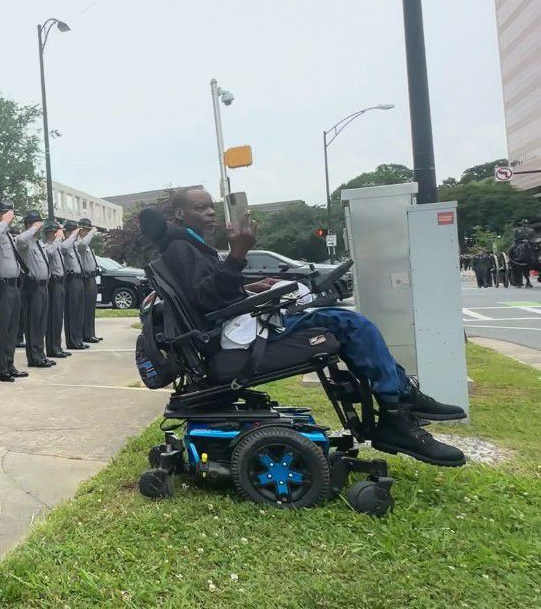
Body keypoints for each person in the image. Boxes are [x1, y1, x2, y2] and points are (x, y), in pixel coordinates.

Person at [160, 187, 466, 467]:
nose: (210, 212)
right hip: (233, 340)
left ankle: (399, 403)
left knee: (340, 321)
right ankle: (397, 411)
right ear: (180, 214)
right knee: (350, 323)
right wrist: (238, 253)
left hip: (237, 328)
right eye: (201, 208)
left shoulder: (191, 246)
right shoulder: (180, 248)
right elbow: (207, 299)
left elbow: (209, 293)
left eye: (211, 206)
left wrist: (250, 288)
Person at [0, 198, 28, 382]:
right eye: (8, 213)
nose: (12, 217)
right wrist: (3, 223)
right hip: (0, 287)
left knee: (12, 328)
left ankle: (9, 364)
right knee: (1, 329)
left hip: (13, 285)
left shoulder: (8, 235)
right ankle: (0, 368)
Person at [15, 211, 55, 368]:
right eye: (36, 223)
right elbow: (19, 240)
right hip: (32, 286)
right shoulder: (25, 243)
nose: (40, 227)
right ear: (28, 225)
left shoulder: (39, 243)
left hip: (43, 286)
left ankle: (40, 354)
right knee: (33, 322)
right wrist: (32, 229)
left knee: (41, 323)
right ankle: (34, 357)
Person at [42, 221, 71, 359]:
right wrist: (58, 239)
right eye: (57, 232)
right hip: (53, 283)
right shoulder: (47, 246)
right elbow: (49, 253)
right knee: (53, 316)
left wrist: (61, 240)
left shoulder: (58, 245)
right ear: (51, 233)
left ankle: (57, 346)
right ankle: (52, 348)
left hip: (60, 282)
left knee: (59, 316)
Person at [60, 221, 89, 351]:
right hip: (70, 280)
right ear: (66, 232)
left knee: (79, 311)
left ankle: (78, 339)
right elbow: (64, 247)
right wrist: (72, 235)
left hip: (79, 279)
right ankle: (72, 341)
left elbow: (82, 244)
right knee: (72, 311)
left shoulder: (75, 245)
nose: (74, 234)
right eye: (71, 231)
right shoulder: (64, 244)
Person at [76, 218, 103, 343]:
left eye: (88, 230)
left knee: (91, 307)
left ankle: (91, 332)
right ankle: (86, 334)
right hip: (85, 277)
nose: (87, 232)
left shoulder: (86, 242)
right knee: (86, 307)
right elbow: (82, 245)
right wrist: (92, 232)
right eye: (86, 230)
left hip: (92, 276)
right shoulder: (78, 242)